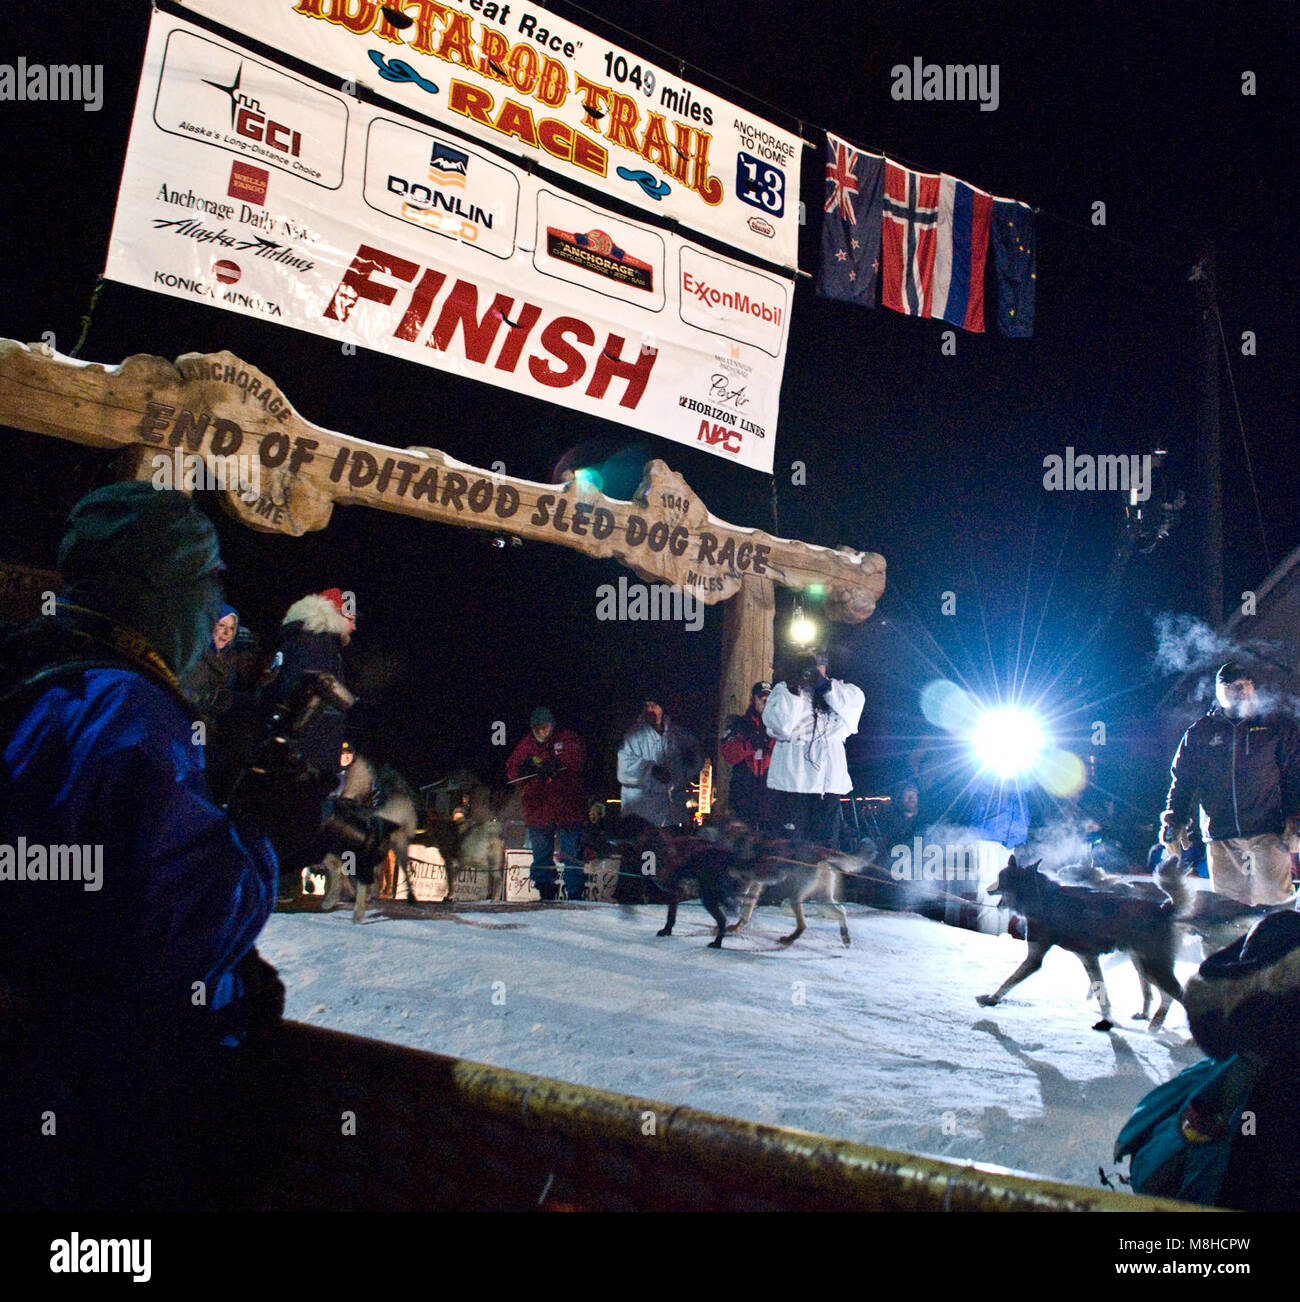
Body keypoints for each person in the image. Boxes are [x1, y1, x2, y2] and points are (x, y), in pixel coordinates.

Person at [0, 483, 283, 1211]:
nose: (218, 604)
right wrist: (268, 834)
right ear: (161, 590)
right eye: (209, 578)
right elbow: (174, 923)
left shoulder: (33, 675)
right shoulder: (127, 707)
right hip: (93, 1105)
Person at [1162, 661, 1299, 906]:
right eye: (1232, 687)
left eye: (1245, 685)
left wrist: (1296, 819)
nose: (1240, 692)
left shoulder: (1275, 727)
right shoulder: (1200, 733)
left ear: (1253, 688)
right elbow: (1183, 780)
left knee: (1274, 908)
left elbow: (1294, 776)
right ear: (1220, 691)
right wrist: (1174, 820)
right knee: (1227, 913)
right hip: (1221, 836)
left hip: (1268, 833)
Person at [264, 587, 356, 896]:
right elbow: (308, 701)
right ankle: (282, 885)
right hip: (306, 759)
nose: (353, 625)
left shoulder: (299, 639)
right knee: (296, 823)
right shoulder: (319, 644)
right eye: (349, 617)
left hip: (294, 754)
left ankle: (281, 882)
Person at [762, 650, 864, 846]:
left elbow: (853, 711)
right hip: (793, 783)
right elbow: (782, 727)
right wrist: (795, 688)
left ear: (825, 667)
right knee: (792, 845)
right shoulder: (783, 692)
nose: (811, 671)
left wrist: (824, 686)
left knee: (825, 847)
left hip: (827, 785)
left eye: (817, 666)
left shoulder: (844, 691)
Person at [505, 707, 588, 901]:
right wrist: (523, 770)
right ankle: (545, 892)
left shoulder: (566, 738)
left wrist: (557, 764)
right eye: (538, 728)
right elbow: (511, 770)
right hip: (539, 809)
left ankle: (575, 893)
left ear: (553, 726)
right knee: (541, 854)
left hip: (568, 808)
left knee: (572, 853)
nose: (542, 732)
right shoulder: (526, 745)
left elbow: (578, 758)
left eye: (546, 727)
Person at [618, 695, 704, 830]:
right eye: (647, 706)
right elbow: (624, 769)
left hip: (674, 815)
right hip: (641, 816)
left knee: (671, 850)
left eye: (654, 705)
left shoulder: (678, 735)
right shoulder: (633, 736)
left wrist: (692, 761)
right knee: (647, 852)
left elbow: (696, 759)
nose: (649, 710)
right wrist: (652, 770)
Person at [719, 681, 775, 831]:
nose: (765, 701)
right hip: (743, 793)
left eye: (768, 698)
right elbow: (728, 754)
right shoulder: (738, 723)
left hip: (769, 794)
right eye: (761, 697)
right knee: (741, 840)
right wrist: (749, 745)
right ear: (753, 699)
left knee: (768, 843)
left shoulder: (777, 727)